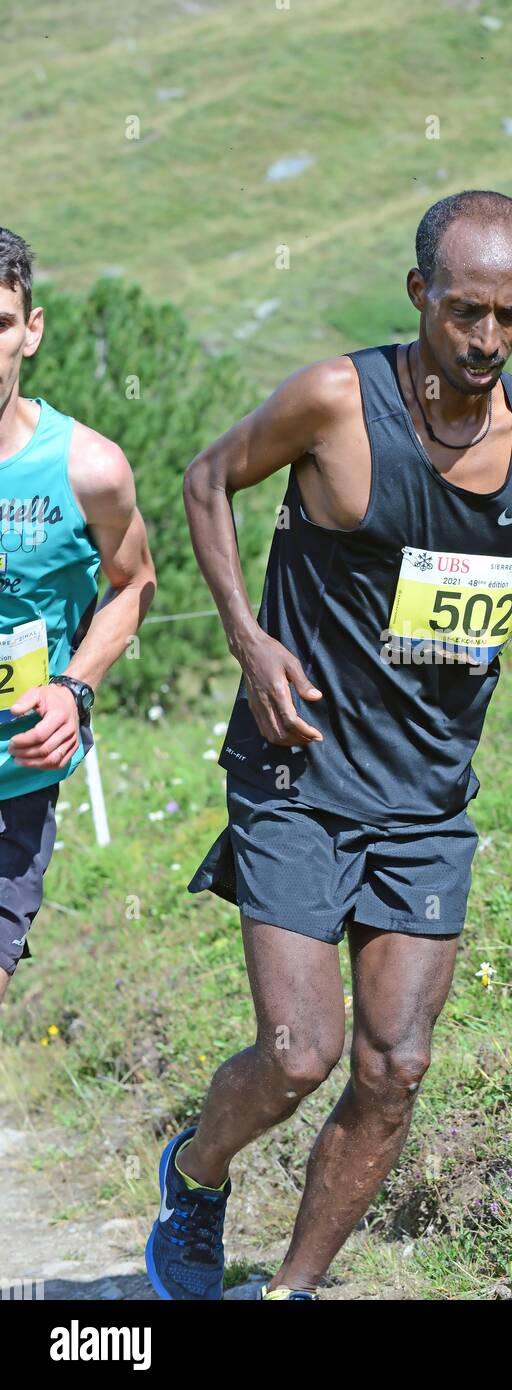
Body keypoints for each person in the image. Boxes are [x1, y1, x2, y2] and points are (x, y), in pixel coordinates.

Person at [146, 190, 512, 1302]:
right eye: (466, 312)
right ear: (421, 294)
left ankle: (296, 1288)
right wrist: (248, 639)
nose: (487, 340)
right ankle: (196, 1167)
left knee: (395, 1068)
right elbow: (207, 480)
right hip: (298, 770)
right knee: (299, 1052)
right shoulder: (334, 402)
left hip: (425, 795)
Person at [0, 228, 156, 1004]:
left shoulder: (88, 469)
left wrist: (73, 687)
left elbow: (132, 585)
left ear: (30, 331)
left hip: (12, 777)